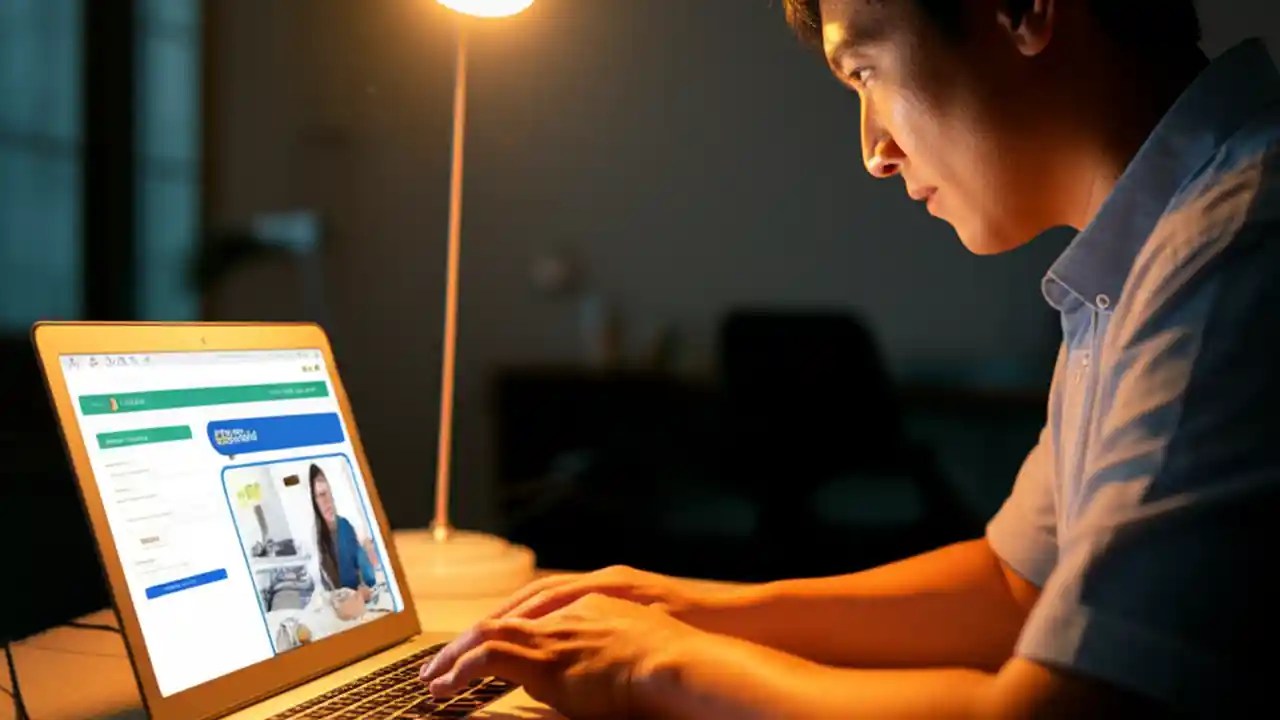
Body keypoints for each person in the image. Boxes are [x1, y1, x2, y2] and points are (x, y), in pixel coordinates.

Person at [420, 0, 1279, 716]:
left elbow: (1052, 712)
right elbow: (1018, 587)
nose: (874, 150)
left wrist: (662, 666)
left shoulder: (1238, 248)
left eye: (865, 72)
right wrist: (698, 608)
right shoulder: (1140, 254)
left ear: (1023, 8)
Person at [309, 463, 376, 621]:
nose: (326, 501)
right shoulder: (315, 539)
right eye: (319, 496)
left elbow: (365, 572)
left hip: (356, 600)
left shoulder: (345, 526)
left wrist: (364, 588)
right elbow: (319, 591)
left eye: (327, 493)